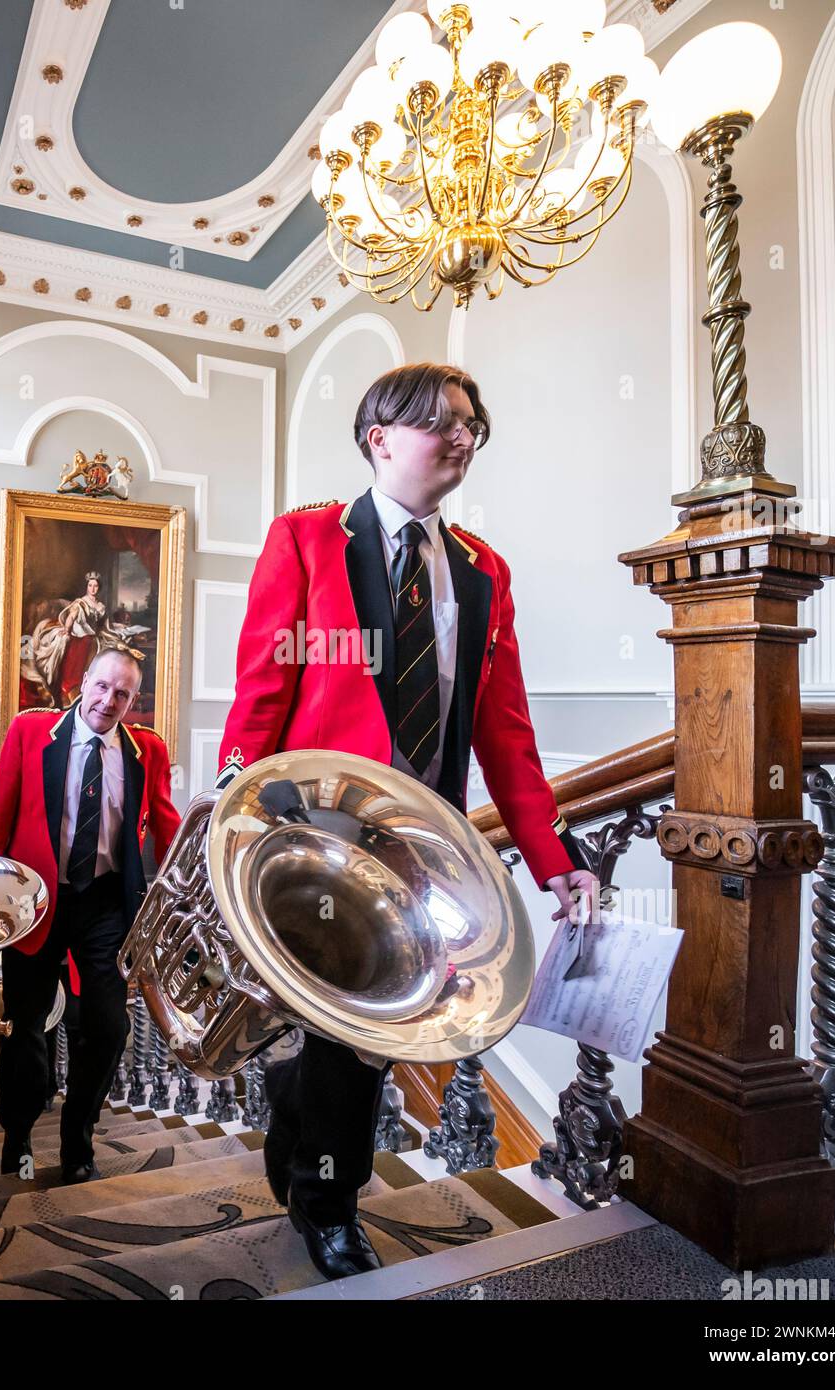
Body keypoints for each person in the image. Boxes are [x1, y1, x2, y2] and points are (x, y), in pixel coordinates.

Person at [216, 362, 598, 1279]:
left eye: (471, 422)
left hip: (416, 850)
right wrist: (229, 800)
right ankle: (329, 1206)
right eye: (439, 422)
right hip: (310, 835)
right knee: (348, 1036)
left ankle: (313, 1162)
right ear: (378, 436)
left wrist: (553, 861)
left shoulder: (482, 570)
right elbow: (265, 682)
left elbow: (505, 731)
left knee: (374, 1032)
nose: (460, 435)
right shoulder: (306, 540)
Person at [0, 645, 180, 1183]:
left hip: (108, 904)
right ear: (82, 682)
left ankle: (76, 1141)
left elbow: (165, 821)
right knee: (26, 1029)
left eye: (123, 694)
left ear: (133, 701)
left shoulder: (147, 751)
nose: (108, 701)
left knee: (110, 1028)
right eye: (102, 687)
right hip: (34, 901)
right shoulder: (30, 732)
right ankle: (18, 1138)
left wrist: (203, 869)